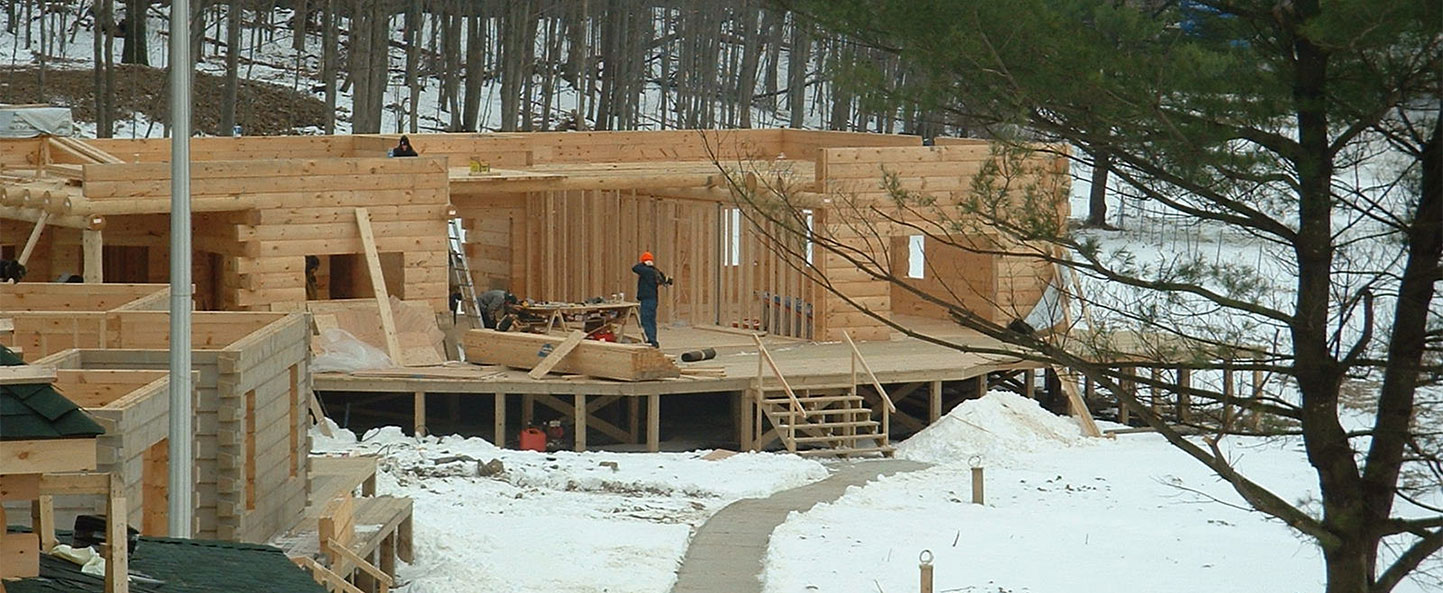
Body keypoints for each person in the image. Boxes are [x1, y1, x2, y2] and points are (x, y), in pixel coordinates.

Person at [631, 251, 672, 348]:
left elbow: (635, 268)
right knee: (651, 320)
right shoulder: (655, 271)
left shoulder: (646, 271)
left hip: (647, 299)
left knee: (646, 320)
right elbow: (665, 280)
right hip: (653, 299)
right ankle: (653, 339)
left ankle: (652, 341)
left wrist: (643, 263)